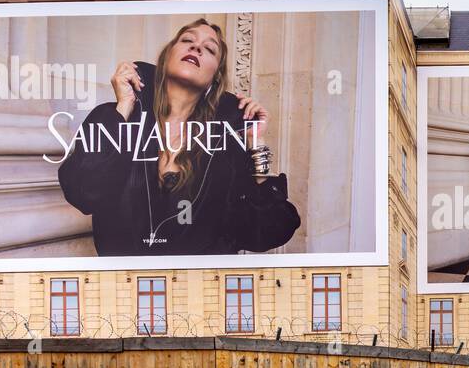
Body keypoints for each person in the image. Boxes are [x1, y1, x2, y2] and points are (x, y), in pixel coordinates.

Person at [57, 18, 299, 255]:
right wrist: (124, 107)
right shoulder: (112, 117)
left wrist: (257, 144)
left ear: (214, 80)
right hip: (127, 285)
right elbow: (83, 194)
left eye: (210, 49)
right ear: (166, 58)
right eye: (187, 40)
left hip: (198, 288)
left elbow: (264, 232)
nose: (196, 47)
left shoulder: (226, 147)